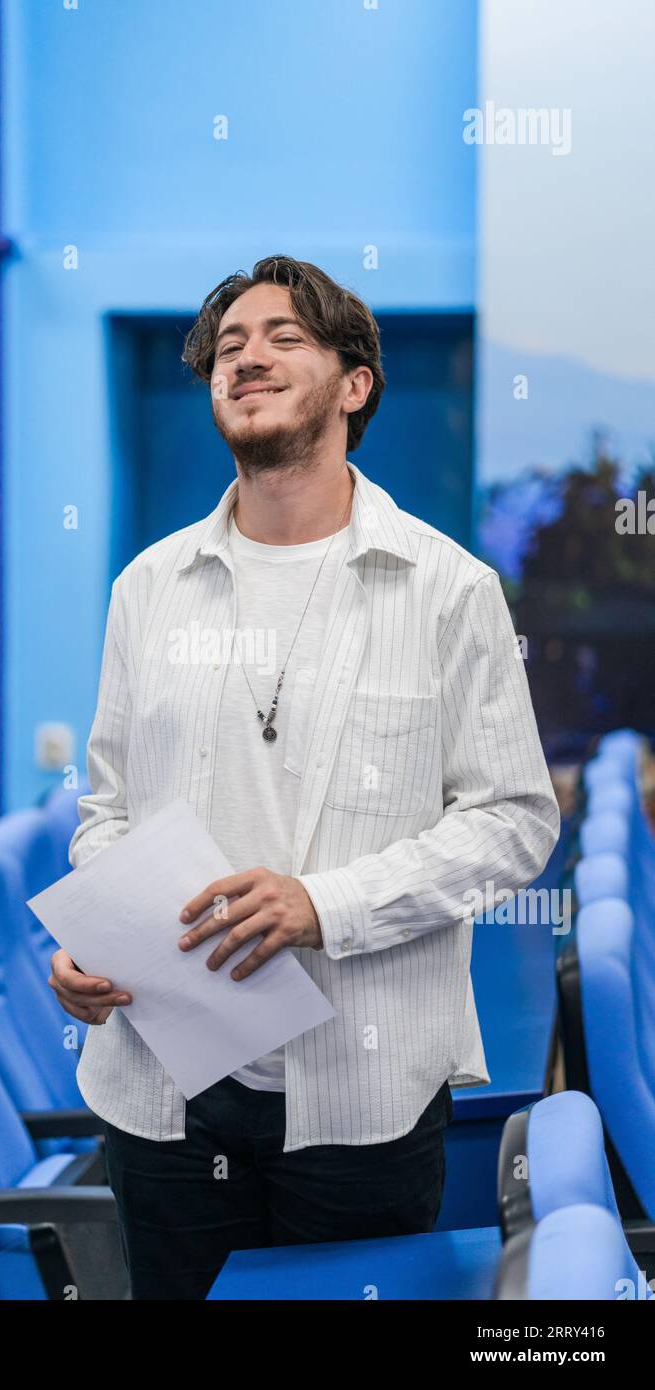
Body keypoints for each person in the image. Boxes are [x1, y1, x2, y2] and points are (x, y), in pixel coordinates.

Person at [49, 255, 561, 1300]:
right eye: (226, 348)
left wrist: (322, 905)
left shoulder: (445, 590)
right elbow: (104, 809)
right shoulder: (149, 588)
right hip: (165, 1089)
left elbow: (512, 821)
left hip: (364, 1092)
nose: (244, 358)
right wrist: (94, 938)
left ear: (354, 383)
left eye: (281, 337)